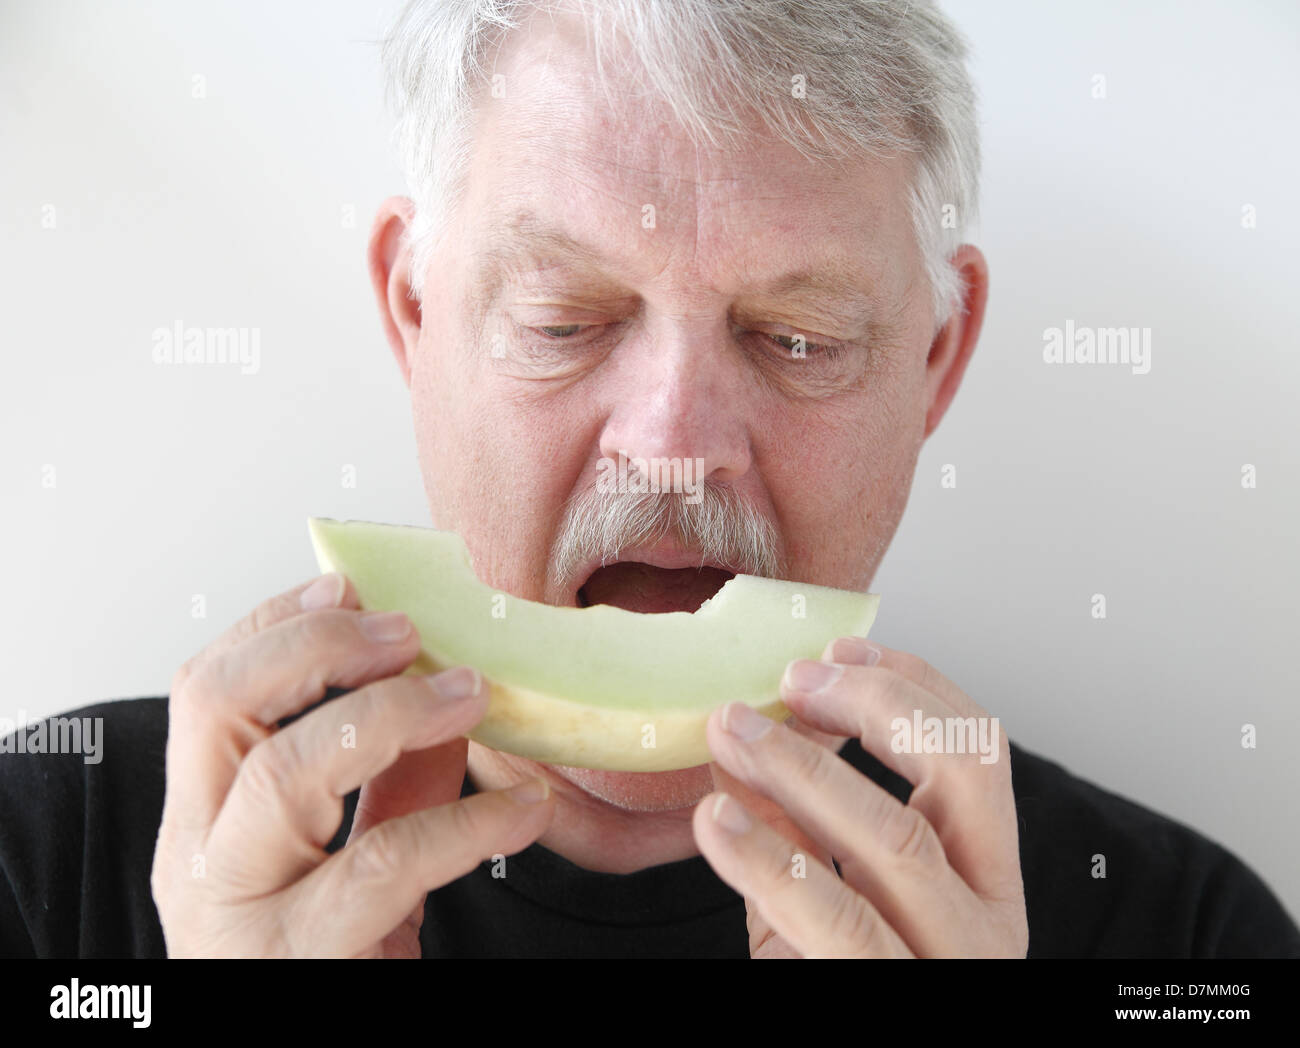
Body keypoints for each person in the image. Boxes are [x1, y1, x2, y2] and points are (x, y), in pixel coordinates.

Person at [3, 0, 1296, 959]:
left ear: (936, 364)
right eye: (566, 319)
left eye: (800, 339)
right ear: (413, 317)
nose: (677, 440)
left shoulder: (1185, 943)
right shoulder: (46, 863)